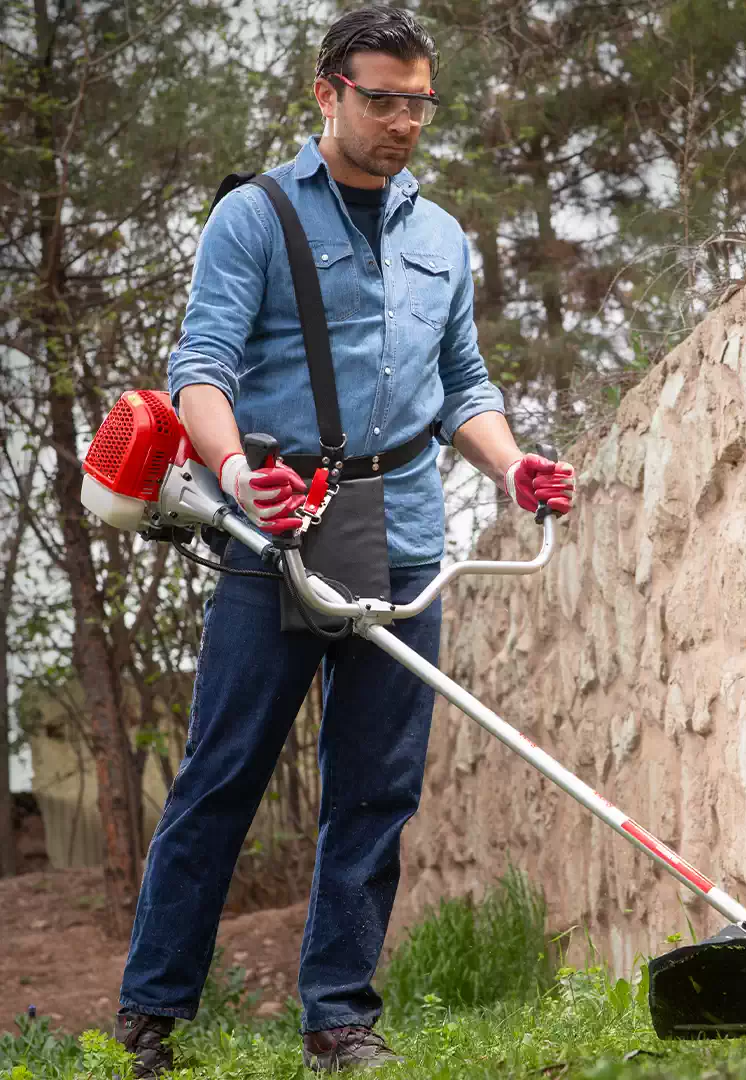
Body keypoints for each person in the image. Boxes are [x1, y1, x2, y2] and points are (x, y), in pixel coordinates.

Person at [112, 5, 575, 1074]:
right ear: (327, 93)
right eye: (382, 100)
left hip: (405, 531)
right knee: (223, 773)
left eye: (420, 102)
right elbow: (203, 371)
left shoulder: (441, 237)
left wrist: (511, 466)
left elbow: (464, 385)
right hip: (275, 527)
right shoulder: (255, 219)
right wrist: (235, 476)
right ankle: (154, 1014)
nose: (404, 121)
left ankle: (339, 1018)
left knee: (376, 788)